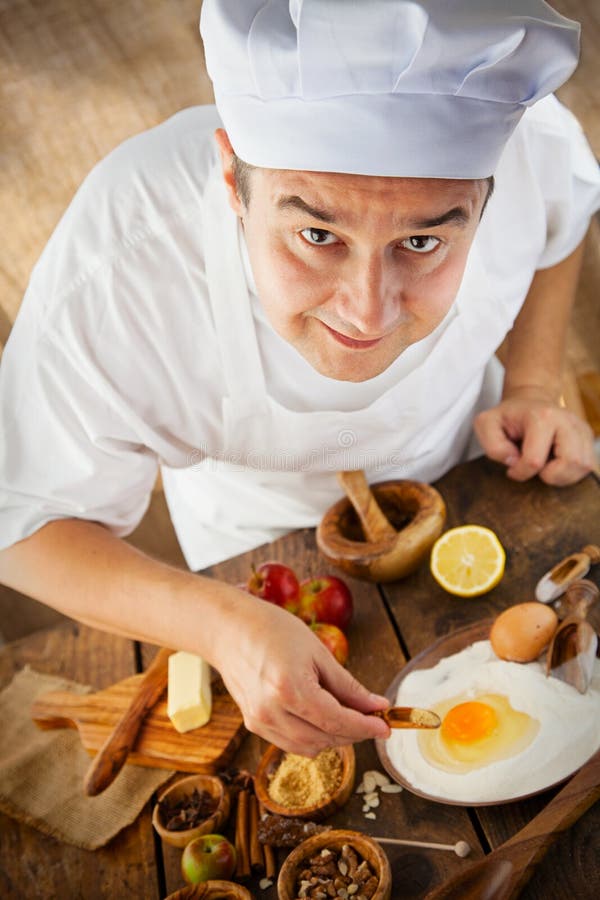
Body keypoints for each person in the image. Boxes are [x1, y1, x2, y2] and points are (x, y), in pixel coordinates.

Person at [0, 0, 598, 755]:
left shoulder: (528, 144)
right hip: (259, 546)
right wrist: (223, 624)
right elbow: (24, 524)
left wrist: (533, 386)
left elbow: (563, 216)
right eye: (318, 234)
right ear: (233, 180)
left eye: (421, 242)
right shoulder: (122, 262)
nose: (367, 312)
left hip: (476, 470)